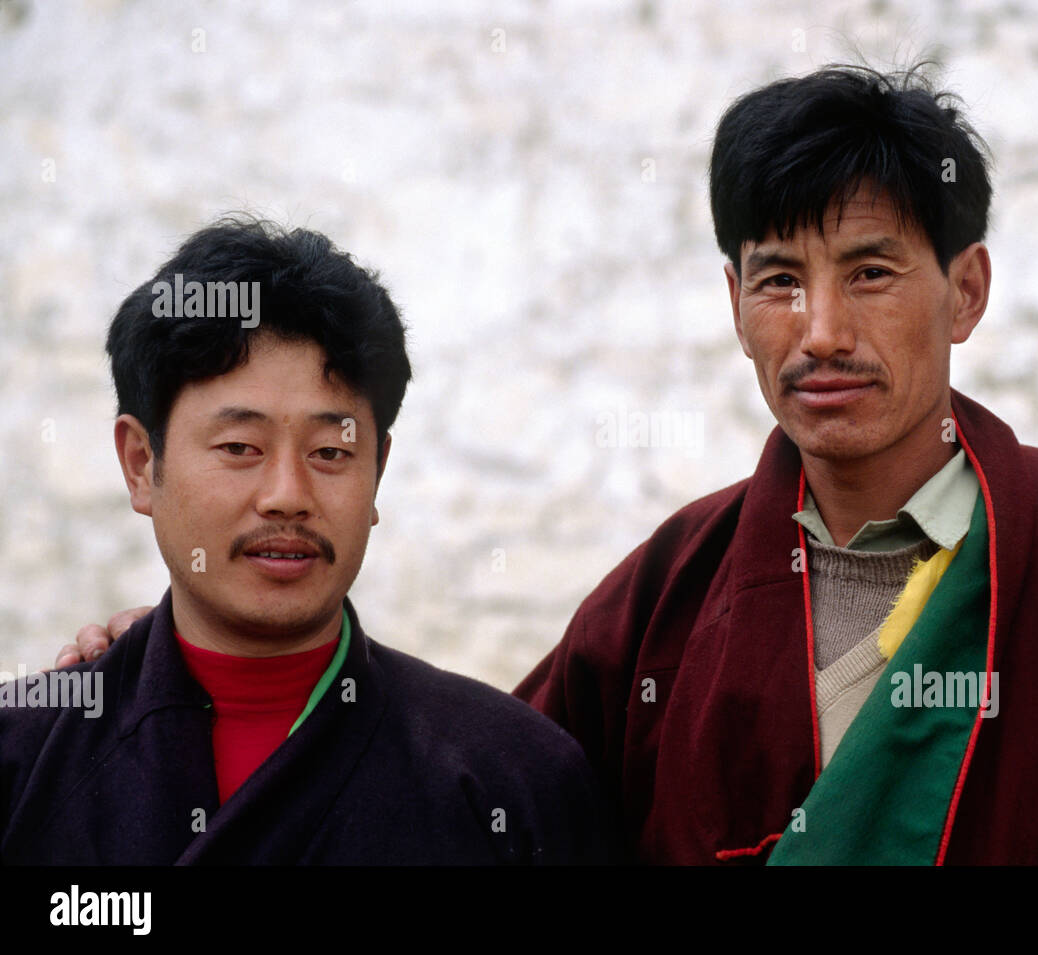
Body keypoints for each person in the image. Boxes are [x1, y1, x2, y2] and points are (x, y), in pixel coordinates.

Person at [62, 66, 1038, 866]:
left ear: (964, 290)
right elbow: (463, 780)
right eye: (777, 279)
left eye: (869, 271)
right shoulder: (676, 587)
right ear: (732, 300)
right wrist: (194, 652)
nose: (819, 331)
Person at [7, 218, 609, 864]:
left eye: (330, 450)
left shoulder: (513, 778)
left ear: (378, 469)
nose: (288, 494)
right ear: (139, 462)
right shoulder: (24, 761)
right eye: (240, 447)